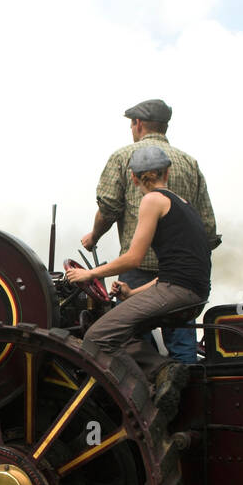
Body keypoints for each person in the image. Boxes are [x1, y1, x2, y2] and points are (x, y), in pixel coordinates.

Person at [81, 98, 218, 362]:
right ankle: (185, 394)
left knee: (120, 336)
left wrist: (94, 238)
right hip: (180, 276)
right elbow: (208, 227)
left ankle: (144, 391)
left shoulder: (123, 158)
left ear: (138, 124)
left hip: (139, 266)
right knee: (181, 343)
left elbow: (108, 207)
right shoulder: (190, 163)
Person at [66, 145, 211, 385]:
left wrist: (89, 274)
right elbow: (172, 271)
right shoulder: (184, 204)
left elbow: (134, 258)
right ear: (167, 172)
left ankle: (147, 394)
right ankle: (164, 374)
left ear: (133, 177)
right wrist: (132, 293)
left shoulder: (153, 200)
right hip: (193, 294)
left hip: (177, 292)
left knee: (96, 337)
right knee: (121, 332)